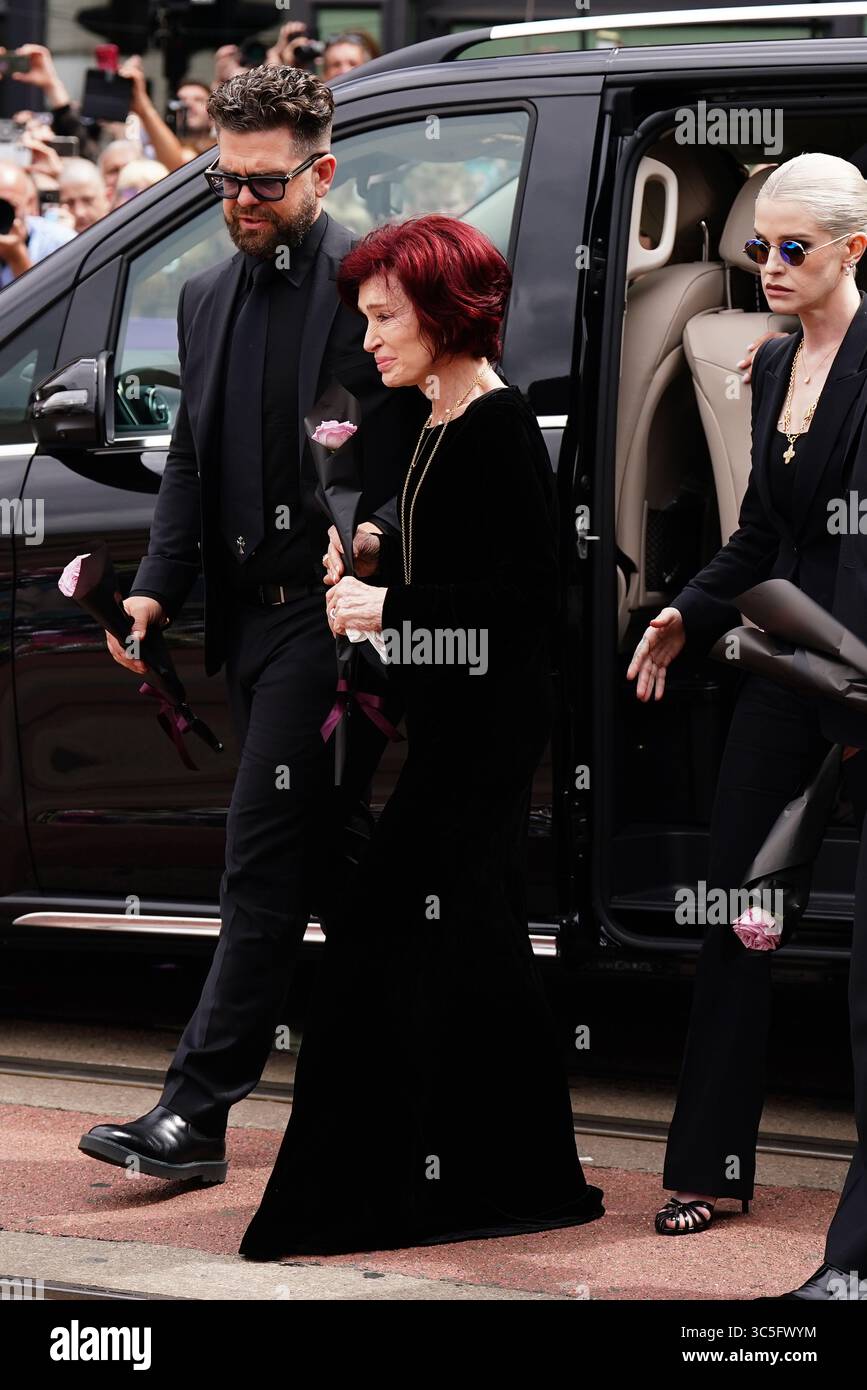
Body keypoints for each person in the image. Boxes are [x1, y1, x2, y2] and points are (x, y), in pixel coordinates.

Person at [77, 64, 429, 1185]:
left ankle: (197, 1116)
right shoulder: (203, 294)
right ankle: (432, 1072)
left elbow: (426, 445)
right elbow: (190, 460)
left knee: (262, 860)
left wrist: (374, 542)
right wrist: (152, 588)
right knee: (342, 874)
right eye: (224, 181)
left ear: (321, 170)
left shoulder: (375, 289)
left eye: (264, 185)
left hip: (334, 632)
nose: (240, 204)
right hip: (249, 624)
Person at [238, 214, 605, 1258]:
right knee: (480, 951)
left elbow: (525, 602)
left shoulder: (490, 423)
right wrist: (370, 560)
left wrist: (385, 612)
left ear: (447, 311)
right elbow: (444, 553)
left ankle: (372, 1194)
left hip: (485, 735)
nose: (369, 342)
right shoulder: (433, 412)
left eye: (387, 317)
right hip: (455, 723)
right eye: (363, 318)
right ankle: (519, 1177)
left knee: (379, 942)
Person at [627, 152, 867, 1299]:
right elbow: (762, 535)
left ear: (853, 252)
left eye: (792, 249)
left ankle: (856, 1255)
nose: (767, 265)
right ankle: (713, 1162)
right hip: (786, 674)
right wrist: (684, 611)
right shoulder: (772, 367)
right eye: (758, 246)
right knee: (739, 908)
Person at [0, 160, 75, 287]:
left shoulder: (60, 243)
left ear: (29, 203)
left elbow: (50, 301)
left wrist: (17, 257)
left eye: (5, 207)